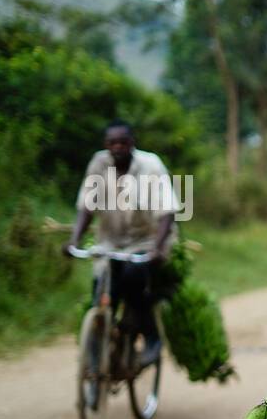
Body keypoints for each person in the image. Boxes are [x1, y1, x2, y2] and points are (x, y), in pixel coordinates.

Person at [65, 120, 180, 367]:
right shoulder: (99, 164)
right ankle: (99, 343)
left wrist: (157, 248)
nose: (117, 147)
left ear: (132, 143)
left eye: (123, 142)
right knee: (103, 287)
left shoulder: (150, 166)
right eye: (112, 143)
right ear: (106, 145)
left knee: (133, 279)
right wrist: (73, 240)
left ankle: (151, 338)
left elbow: (167, 212)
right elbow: (87, 206)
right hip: (110, 241)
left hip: (147, 240)